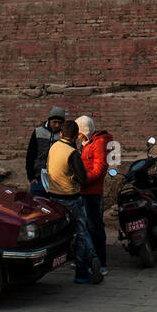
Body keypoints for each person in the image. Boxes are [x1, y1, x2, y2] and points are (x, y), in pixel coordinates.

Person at [46, 121, 103, 284]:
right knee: (82, 233)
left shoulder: (54, 147)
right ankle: (84, 268)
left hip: (53, 196)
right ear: (77, 136)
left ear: (62, 134)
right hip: (70, 197)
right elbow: (83, 179)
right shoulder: (72, 154)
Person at [76, 115, 112, 275]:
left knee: (95, 227)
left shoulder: (99, 143)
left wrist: (83, 180)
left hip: (92, 191)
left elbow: (99, 168)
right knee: (87, 227)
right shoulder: (88, 143)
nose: (78, 136)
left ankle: (101, 262)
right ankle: (88, 259)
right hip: (85, 190)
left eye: (80, 133)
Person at [25, 107, 65, 195]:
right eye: (54, 122)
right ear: (49, 121)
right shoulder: (38, 132)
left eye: (60, 123)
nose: (57, 125)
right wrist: (31, 177)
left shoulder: (64, 135)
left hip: (56, 180)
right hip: (38, 178)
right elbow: (30, 155)